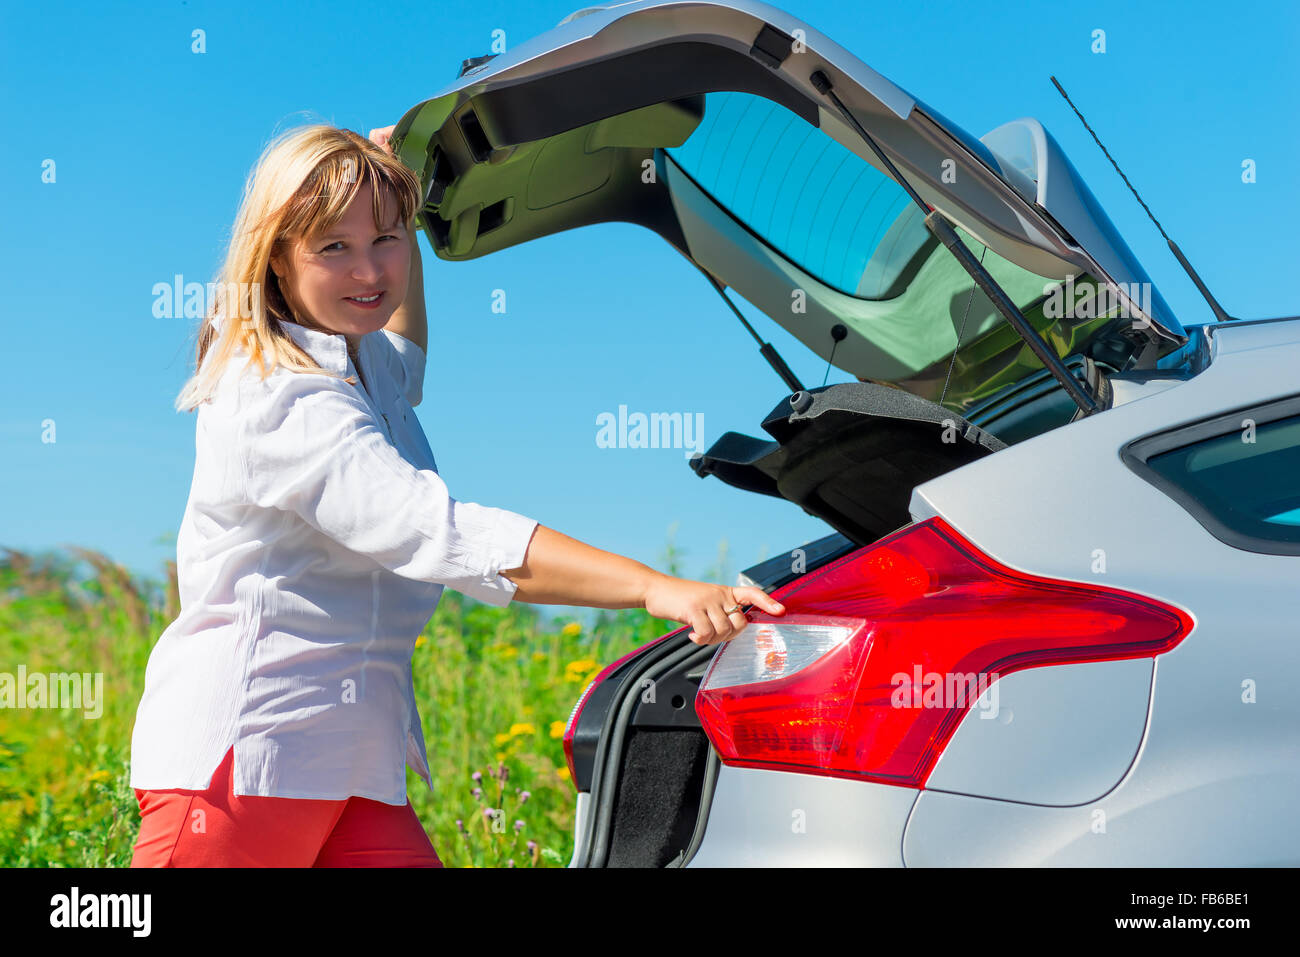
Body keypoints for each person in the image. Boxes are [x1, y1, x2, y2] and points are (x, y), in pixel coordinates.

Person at [127, 123, 785, 868]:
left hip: (353, 767)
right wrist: (654, 587)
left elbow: (404, 353)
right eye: (333, 248)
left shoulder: (360, 360)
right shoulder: (281, 398)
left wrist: (404, 189)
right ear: (277, 257)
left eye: (388, 237)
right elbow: (436, 530)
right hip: (248, 761)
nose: (370, 270)